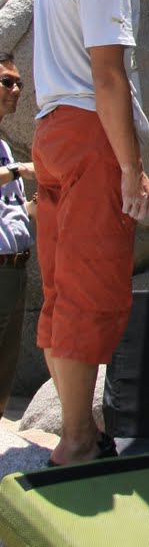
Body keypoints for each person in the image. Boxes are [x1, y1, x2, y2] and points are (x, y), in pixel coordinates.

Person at [32, 0, 149, 465]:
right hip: (90, 135)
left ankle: (75, 431)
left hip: (53, 129)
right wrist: (130, 168)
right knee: (92, 289)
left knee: (60, 289)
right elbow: (107, 76)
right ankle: (78, 440)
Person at [0, 53, 35, 416]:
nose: (16, 89)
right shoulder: (12, 161)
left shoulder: (4, 146)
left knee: (4, 370)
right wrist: (19, 170)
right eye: (7, 82)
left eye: (19, 82)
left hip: (14, 270)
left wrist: (32, 211)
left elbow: (8, 211)